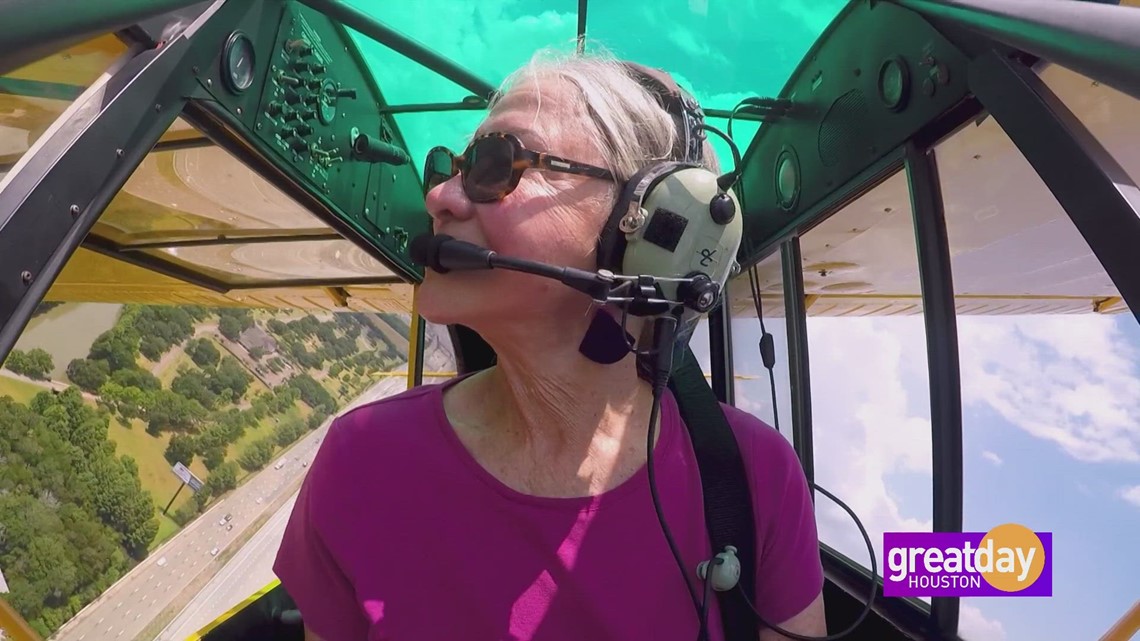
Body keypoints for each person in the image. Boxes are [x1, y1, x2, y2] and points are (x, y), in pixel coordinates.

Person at [273, 48, 826, 641]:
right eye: (450, 167)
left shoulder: (754, 477)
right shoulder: (361, 460)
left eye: (495, 162)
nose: (439, 196)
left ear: (657, 235)